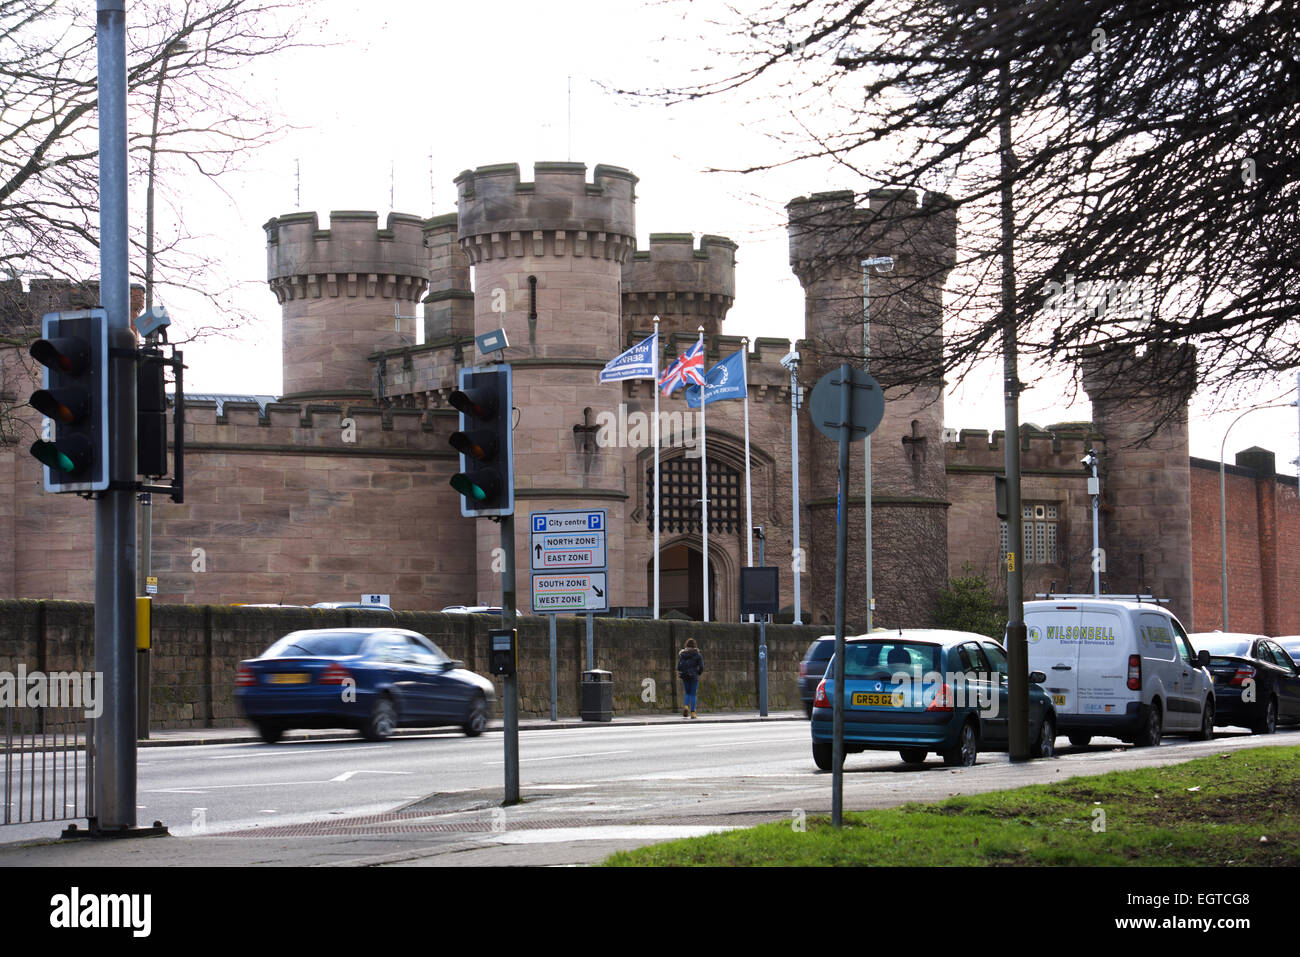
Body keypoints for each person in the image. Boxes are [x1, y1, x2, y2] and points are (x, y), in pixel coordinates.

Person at [677, 638, 704, 719]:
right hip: (693, 676)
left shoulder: (682, 654)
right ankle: (692, 712)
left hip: (685, 675)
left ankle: (686, 707)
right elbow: (701, 667)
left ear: (686, 645)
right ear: (694, 645)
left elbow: (678, 667)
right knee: (693, 694)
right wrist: (698, 673)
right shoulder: (697, 654)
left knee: (687, 693)